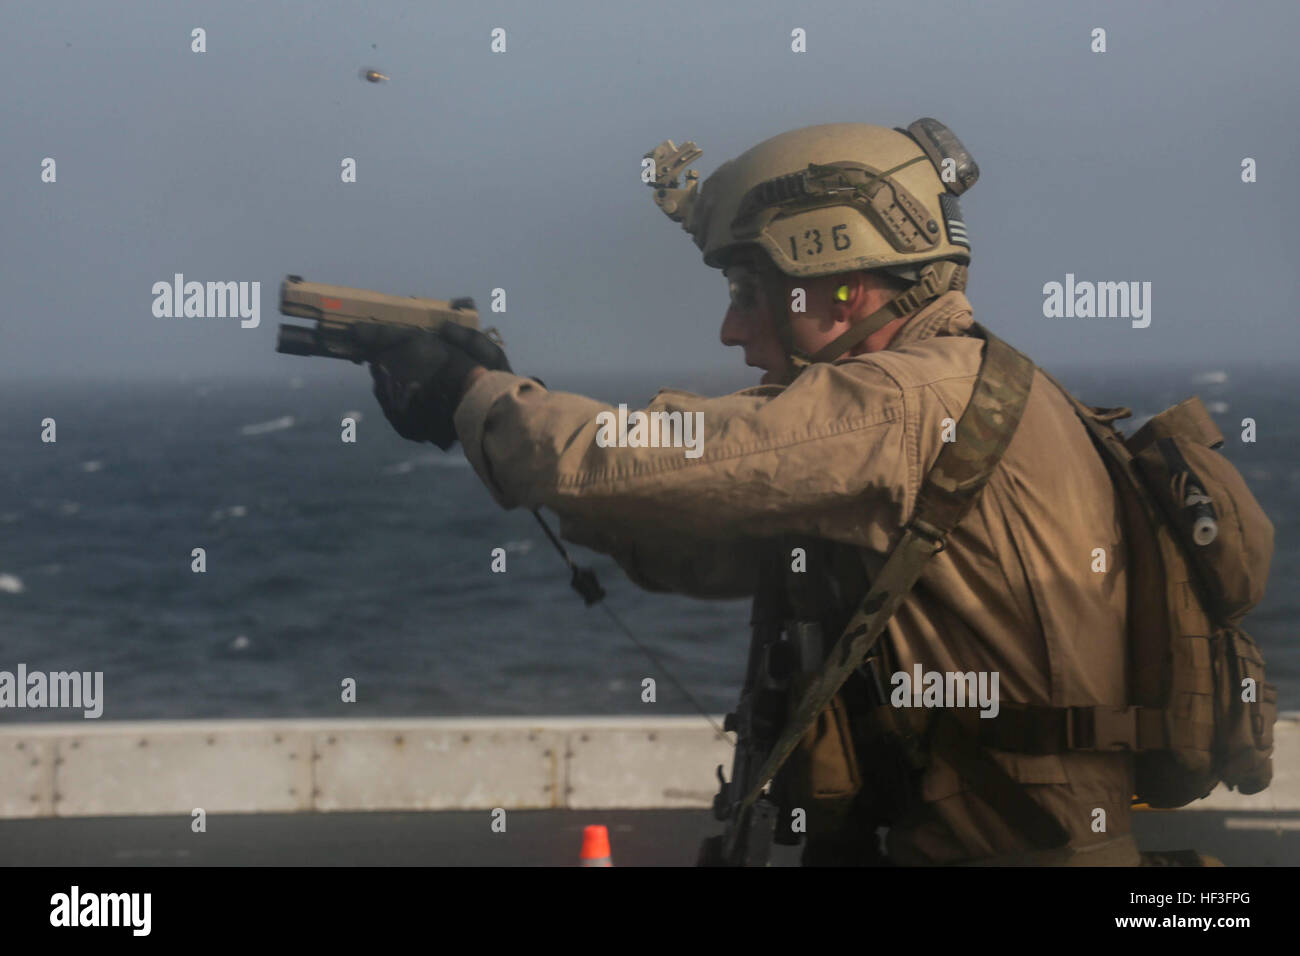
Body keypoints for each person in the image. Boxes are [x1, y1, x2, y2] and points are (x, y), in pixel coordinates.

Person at [367, 120, 1142, 866]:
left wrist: (474, 397)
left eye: (748, 290)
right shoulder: (967, 391)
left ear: (841, 289)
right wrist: (516, 428)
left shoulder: (904, 402)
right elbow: (716, 548)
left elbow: (648, 457)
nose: (731, 331)